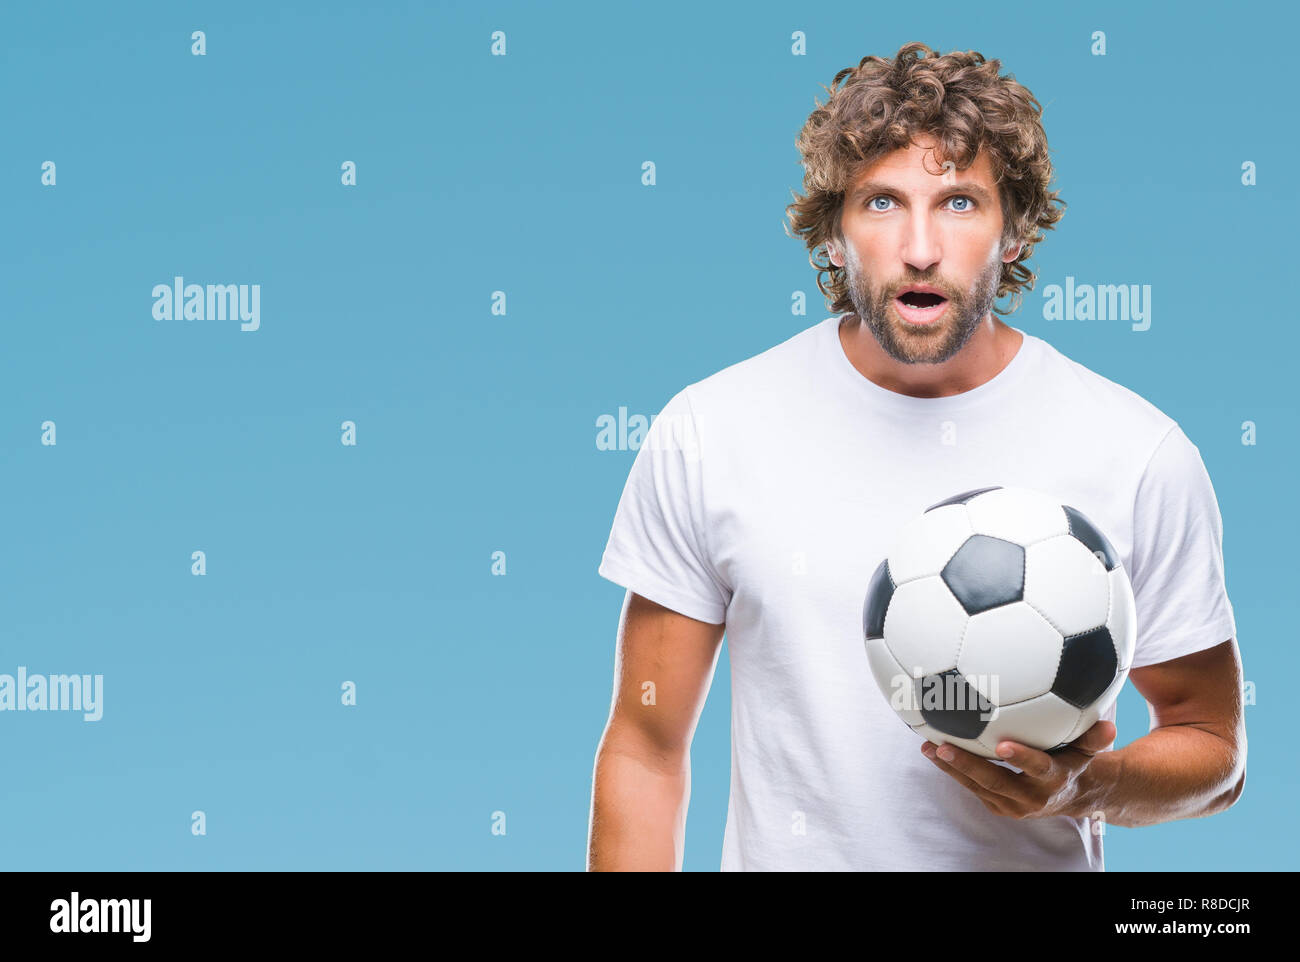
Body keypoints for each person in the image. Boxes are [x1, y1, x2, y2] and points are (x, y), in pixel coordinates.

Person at [587, 42, 1245, 871]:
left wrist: (1089, 786)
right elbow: (646, 749)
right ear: (833, 234)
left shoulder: (1138, 451)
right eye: (882, 203)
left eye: (962, 203)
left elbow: (1213, 748)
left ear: (1013, 233)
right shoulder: (711, 431)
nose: (921, 246)